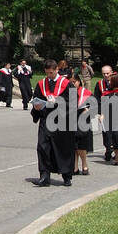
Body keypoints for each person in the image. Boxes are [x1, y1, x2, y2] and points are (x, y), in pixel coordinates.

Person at [30, 58, 76, 187]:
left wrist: (58, 101)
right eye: (47, 73)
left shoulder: (66, 84)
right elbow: (37, 98)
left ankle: (67, 176)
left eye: (51, 72)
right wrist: (36, 106)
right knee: (43, 147)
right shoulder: (41, 84)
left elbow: (73, 102)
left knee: (63, 148)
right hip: (46, 120)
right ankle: (44, 175)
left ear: (57, 70)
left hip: (62, 121)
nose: (49, 75)